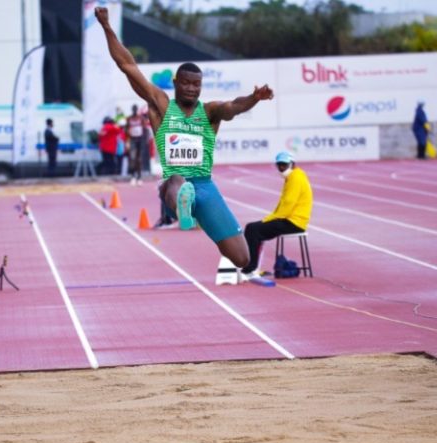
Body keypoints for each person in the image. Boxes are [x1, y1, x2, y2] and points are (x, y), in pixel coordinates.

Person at [96, 6, 274, 268]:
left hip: (205, 187)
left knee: (243, 258)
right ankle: (182, 208)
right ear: (176, 81)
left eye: (196, 84)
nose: (191, 88)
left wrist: (254, 98)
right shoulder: (162, 106)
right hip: (173, 187)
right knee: (178, 180)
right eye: (186, 83)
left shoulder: (210, 112)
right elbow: (127, 65)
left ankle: (192, 208)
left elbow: (234, 106)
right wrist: (106, 25)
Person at [239, 152, 313, 281]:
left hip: (293, 223)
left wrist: (268, 219)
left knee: (253, 229)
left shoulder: (295, 178)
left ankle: (250, 268)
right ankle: (252, 267)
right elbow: (284, 204)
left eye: (284, 165)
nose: (281, 168)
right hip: (291, 220)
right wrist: (270, 218)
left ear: (292, 164)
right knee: (254, 228)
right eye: (279, 165)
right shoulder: (295, 176)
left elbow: (287, 205)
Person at [126, 105, 147, 186]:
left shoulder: (141, 118)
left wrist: (145, 141)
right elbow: (126, 129)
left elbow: (145, 129)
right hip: (132, 140)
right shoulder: (129, 118)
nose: (134, 111)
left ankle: (139, 177)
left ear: (137, 110)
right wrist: (127, 141)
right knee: (132, 158)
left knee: (139, 159)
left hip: (140, 140)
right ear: (132, 110)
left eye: (135, 109)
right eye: (133, 109)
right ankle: (133, 176)